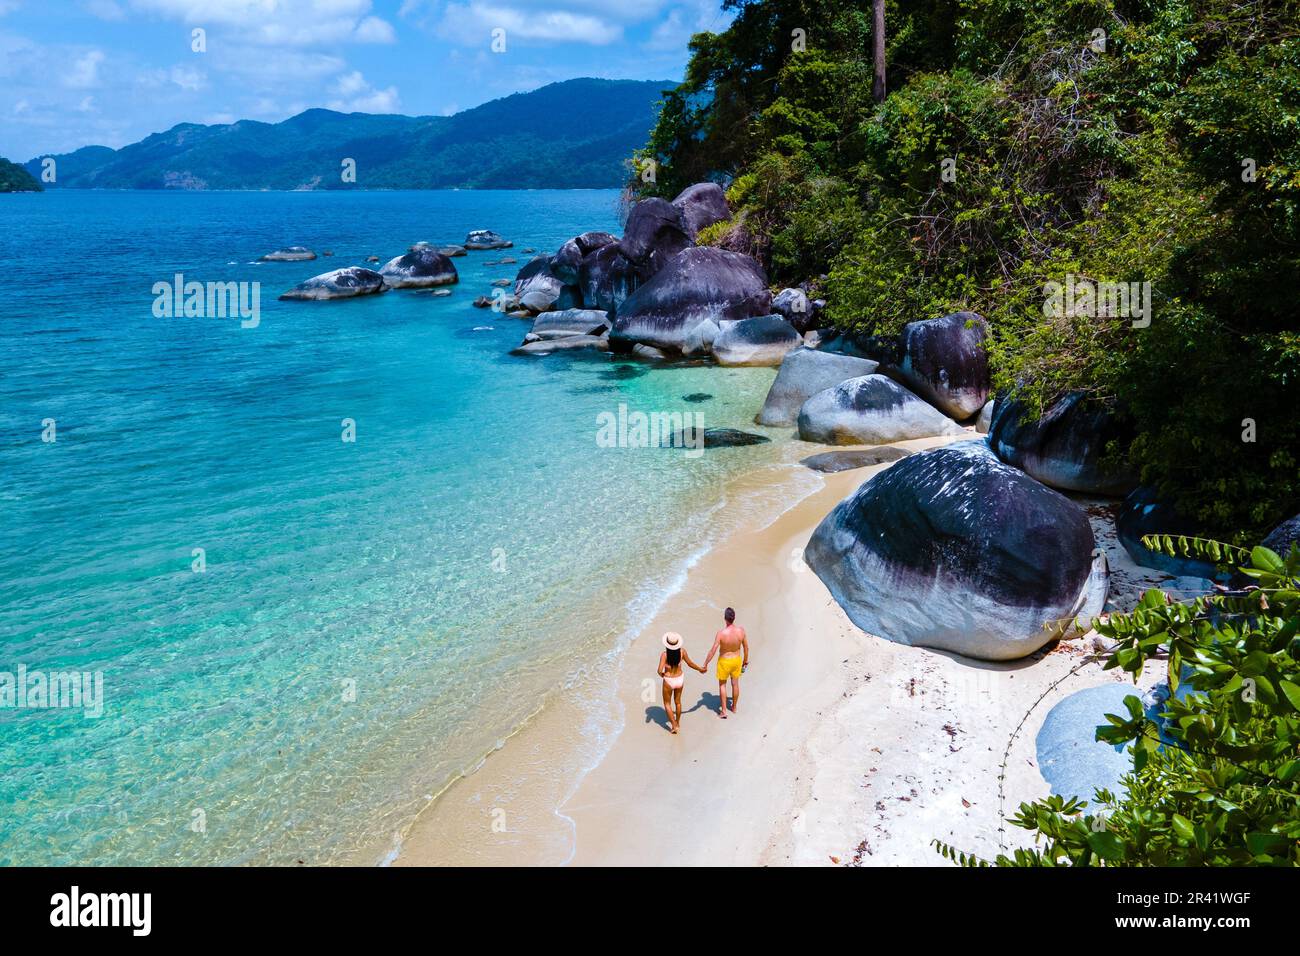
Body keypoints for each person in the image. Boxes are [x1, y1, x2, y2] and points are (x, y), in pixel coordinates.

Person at [702, 607, 748, 718]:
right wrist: (745, 661)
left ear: (725, 618)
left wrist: (705, 663)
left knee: (722, 685)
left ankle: (723, 711)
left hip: (724, 662)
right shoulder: (741, 631)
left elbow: (713, 649)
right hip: (736, 660)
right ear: (734, 618)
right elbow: (746, 648)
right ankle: (734, 707)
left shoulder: (721, 633)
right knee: (735, 684)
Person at [657, 632, 704, 735]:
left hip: (669, 680)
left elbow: (659, 670)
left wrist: (664, 675)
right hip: (679, 679)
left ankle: (673, 725)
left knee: (667, 703)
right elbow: (690, 663)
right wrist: (700, 669)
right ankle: (677, 723)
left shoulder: (664, 655)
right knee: (678, 702)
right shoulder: (682, 652)